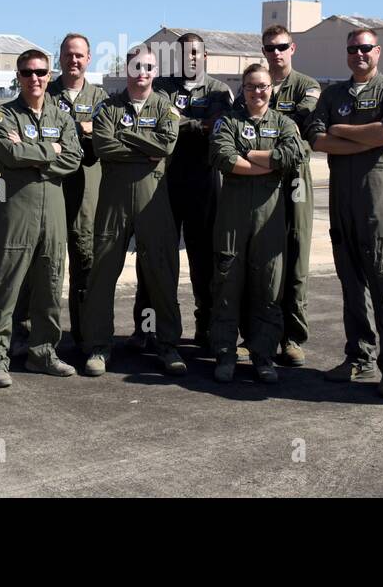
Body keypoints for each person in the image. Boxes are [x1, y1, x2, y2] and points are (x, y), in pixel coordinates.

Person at [306, 27, 383, 397]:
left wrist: (342, 132)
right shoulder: (334, 93)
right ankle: (359, 357)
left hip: (380, 199)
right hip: (343, 199)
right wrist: (359, 138)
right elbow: (318, 139)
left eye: (366, 48)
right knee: (351, 281)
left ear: (378, 52)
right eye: (353, 49)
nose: (359, 54)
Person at [0, 50, 83, 387]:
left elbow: (75, 159)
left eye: (40, 72)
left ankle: (43, 353)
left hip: (53, 210)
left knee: (50, 283)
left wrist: (32, 152)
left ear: (49, 75)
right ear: (18, 76)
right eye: (27, 72)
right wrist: (50, 151)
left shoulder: (62, 117)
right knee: (5, 285)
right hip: (17, 211)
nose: (34, 78)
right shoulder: (2, 116)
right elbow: (9, 155)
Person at [81, 45, 187, 377]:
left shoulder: (166, 108)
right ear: (127, 69)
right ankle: (99, 346)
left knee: (161, 274)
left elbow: (166, 146)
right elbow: (102, 147)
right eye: (137, 66)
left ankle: (168, 345)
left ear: (155, 72)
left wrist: (125, 138)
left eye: (149, 67)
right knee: (102, 274)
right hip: (113, 201)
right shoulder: (108, 107)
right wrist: (142, 143)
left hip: (153, 201)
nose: (143, 72)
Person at [208, 64, 307, 384]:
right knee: (227, 284)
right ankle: (224, 352)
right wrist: (269, 164)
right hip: (233, 218)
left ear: (271, 89)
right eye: (251, 87)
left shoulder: (284, 123)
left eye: (263, 86)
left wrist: (249, 156)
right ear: (243, 90)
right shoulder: (228, 122)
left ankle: (262, 354)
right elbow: (223, 156)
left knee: (269, 284)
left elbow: (296, 153)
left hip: (270, 217)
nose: (257, 92)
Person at [13, 33, 107, 355]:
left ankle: (86, 337)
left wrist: (81, 130)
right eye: (68, 54)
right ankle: (25, 332)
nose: (74, 60)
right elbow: (25, 138)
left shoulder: (101, 98)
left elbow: (108, 136)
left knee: (85, 262)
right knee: (38, 262)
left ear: (89, 58)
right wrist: (84, 128)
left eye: (79, 55)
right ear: (60, 58)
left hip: (86, 192)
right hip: (48, 190)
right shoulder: (44, 92)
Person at [143, 32, 233, 350]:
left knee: (204, 259)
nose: (189, 59)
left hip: (205, 183)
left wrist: (181, 123)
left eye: (195, 54)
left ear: (204, 56)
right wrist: (198, 124)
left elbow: (221, 127)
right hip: (165, 183)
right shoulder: (162, 88)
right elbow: (161, 123)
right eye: (183, 54)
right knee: (157, 259)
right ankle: (149, 328)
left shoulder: (220, 91)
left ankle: (206, 326)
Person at [261, 24, 321, 366]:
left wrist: (264, 129)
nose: (276, 53)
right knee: (261, 258)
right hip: (260, 179)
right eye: (270, 48)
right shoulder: (254, 84)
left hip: (294, 177)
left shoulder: (306, 86)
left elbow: (298, 125)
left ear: (292, 48)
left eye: (281, 46)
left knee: (296, 255)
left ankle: (293, 337)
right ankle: (260, 334)